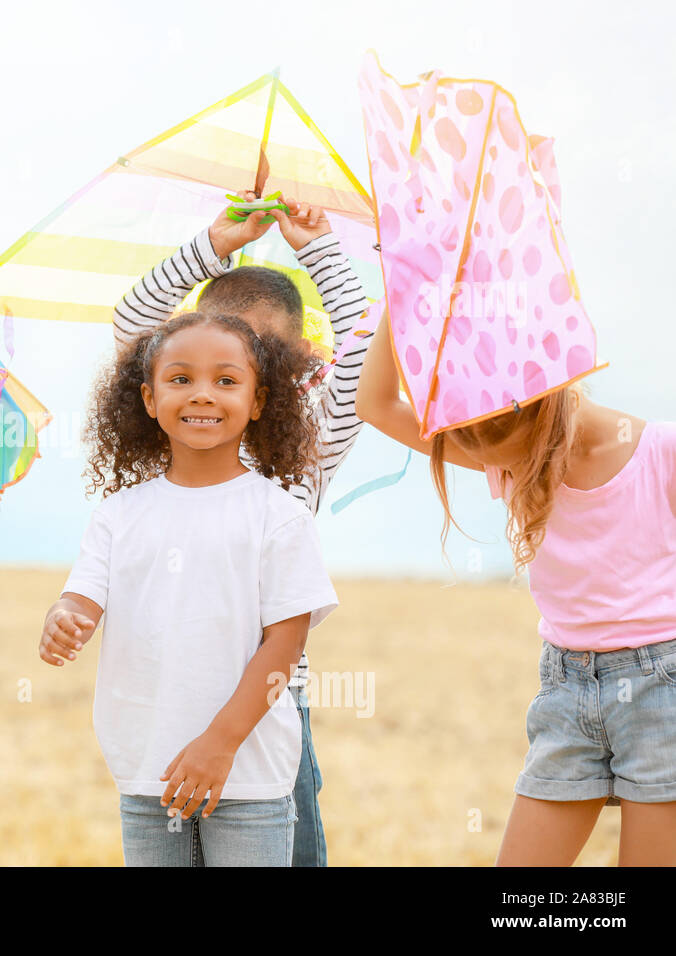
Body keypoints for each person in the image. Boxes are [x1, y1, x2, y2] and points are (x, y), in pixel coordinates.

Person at [357, 312, 676, 866]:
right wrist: (397, 296)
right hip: (565, 688)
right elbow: (377, 404)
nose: (502, 474)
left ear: (545, 415)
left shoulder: (659, 453)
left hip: (663, 690)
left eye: (514, 462)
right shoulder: (497, 439)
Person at [111, 192, 372, 866]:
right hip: (168, 699)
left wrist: (317, 248)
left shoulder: (311, 437)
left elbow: (368, 345)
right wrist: (215, 243)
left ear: (299, 360)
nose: (223, 375)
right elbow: (134, 319)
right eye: (220, 345)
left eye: (261, 356)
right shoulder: (180, 416)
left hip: (268, 708)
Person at [41, 311, 339, 866]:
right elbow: (83, 596)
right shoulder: (119, 514)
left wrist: (219, 745)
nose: (202, 394)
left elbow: (284, 646)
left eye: (226, 381)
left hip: (247, 776)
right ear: (150, 399)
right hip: (147, 769)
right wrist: (63, 617)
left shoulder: (279, 516)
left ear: (258, 401)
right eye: (181, 379)